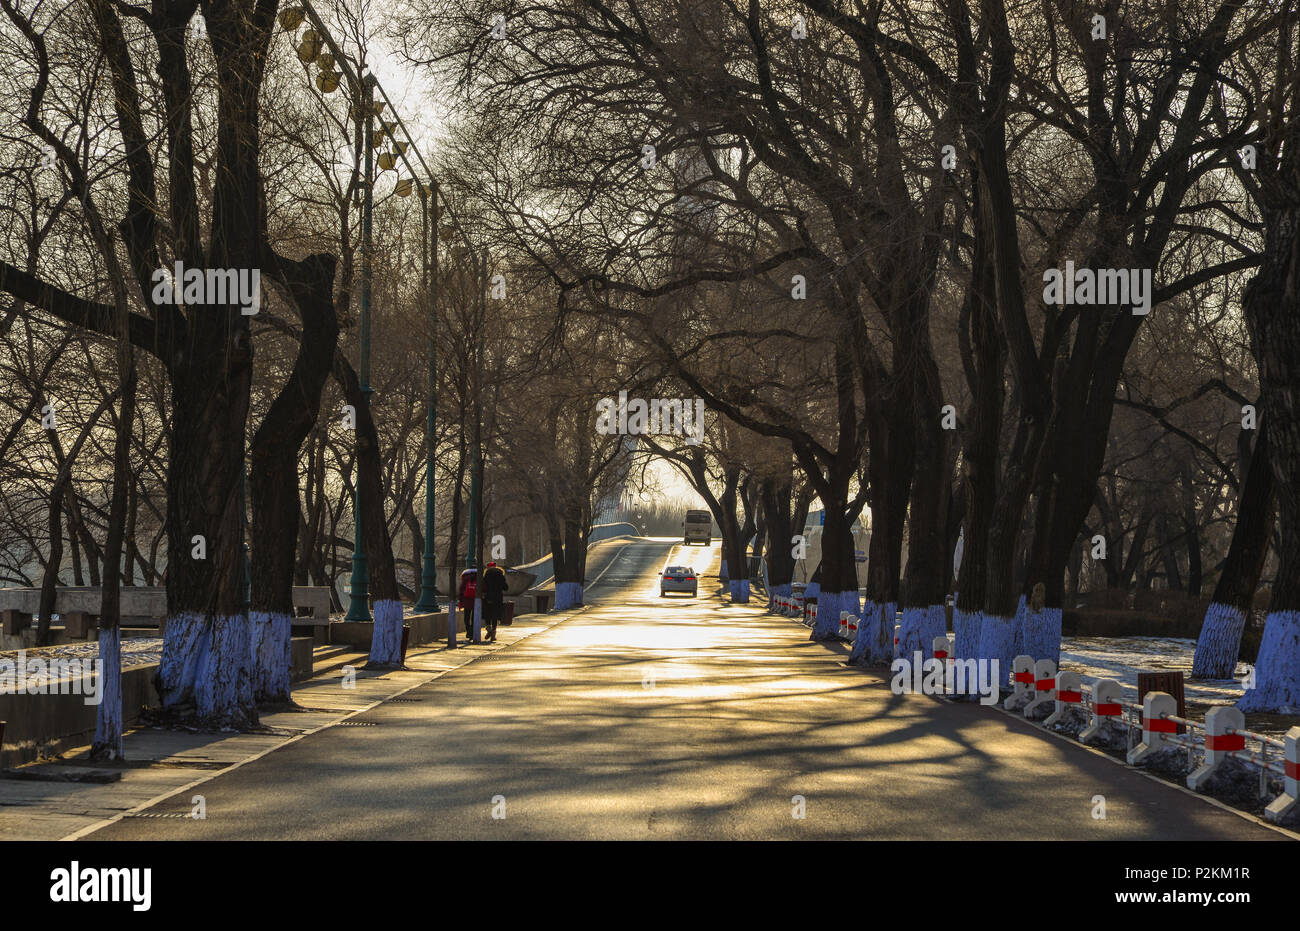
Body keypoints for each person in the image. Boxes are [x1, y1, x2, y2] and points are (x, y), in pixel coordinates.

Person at [480, 561, 508, 643]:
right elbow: (506, 587)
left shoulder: (486, 575)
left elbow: (483, 586)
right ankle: (493, 633)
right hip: (498, 598)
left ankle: (489, 629)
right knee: (495, 615)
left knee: (488, 614)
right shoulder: (500, 575)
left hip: (488, 597)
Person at [457, 568, 478, 639]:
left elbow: (461, 589)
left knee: (466, 617)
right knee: (474, 618)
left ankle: (468, 630)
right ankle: (472, 631)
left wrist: (461, 600)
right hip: (476, 601)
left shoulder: (465, 577)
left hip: (466, 600)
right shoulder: (479, 578)